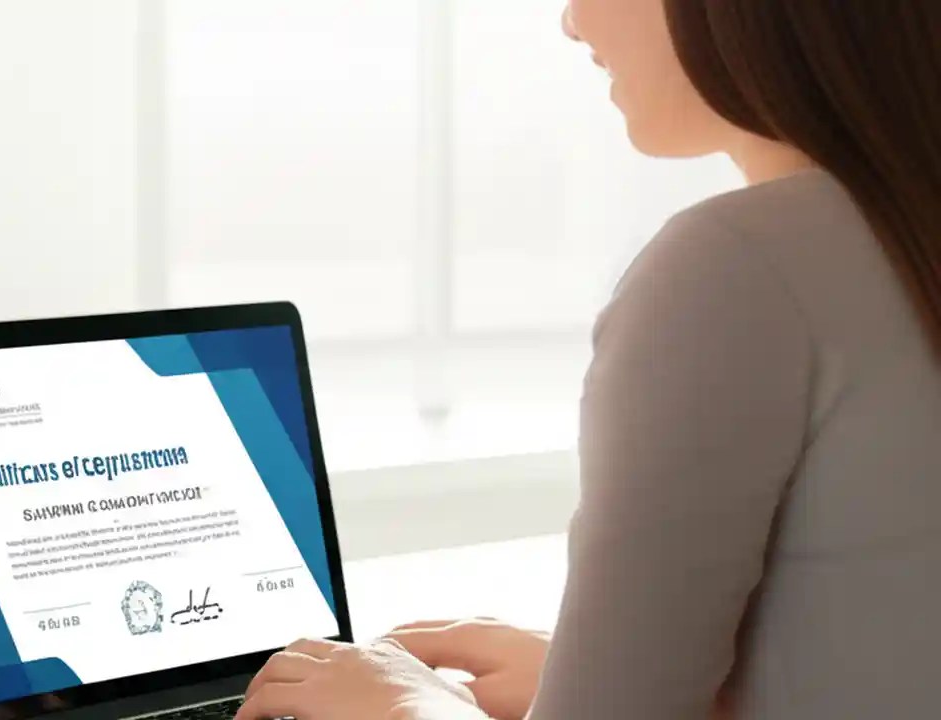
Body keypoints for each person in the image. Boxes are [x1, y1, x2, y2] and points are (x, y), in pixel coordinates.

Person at [236, 1, 941, 718]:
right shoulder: (899, 231)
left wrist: (407, 705)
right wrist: (606, 673)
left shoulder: (737, 267)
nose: (571, 22)